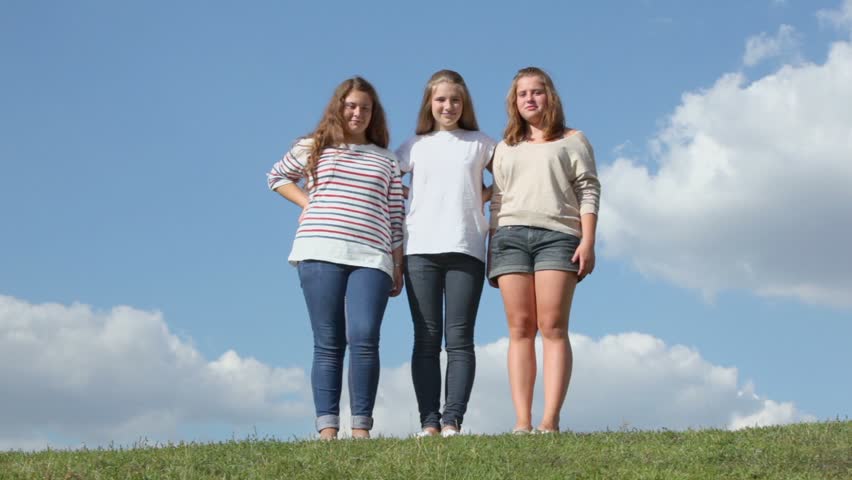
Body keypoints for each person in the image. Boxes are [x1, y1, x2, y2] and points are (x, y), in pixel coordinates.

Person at [267, 76, 405, 440]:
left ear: (374, 114)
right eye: (351, 106)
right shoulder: (314, 146)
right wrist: (307, 202)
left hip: (373, 257)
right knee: (328, 340)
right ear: (338, 108)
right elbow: (277, 176)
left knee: (364, 335)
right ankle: (327, 429)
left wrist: (398, 263)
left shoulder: (387, 160)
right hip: (319, 249)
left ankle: (361, 428)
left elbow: (396, 215)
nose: (357, 113)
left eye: (365, 108)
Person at [488, 67, 600, 434]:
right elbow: (497, 199)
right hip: (510, 238)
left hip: (559, 236)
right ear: (514, 102)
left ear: (549, 96)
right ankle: (522, 421)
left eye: (537, 91)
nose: (530, 99)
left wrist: (588, 240)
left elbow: (588, 189)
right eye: (523, 94)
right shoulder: (505, 148)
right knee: (520, 328)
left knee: (552, 326)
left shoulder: (573, 140)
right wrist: (492, 245)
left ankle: (550, 420)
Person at [396, 70, 496, 437]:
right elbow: (388, 178)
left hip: (466, 248)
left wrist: (484, 196)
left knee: (459, 339)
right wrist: (412, 196)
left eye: (455, 100)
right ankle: (429, 422)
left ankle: (453, 420)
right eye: (441, 99)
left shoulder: (481, 144)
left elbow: (510, 174)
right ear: (429, 104)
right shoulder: (414, 146)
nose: (448, 106)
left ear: (464, 104)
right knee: (426, 338)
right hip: (420, 250)